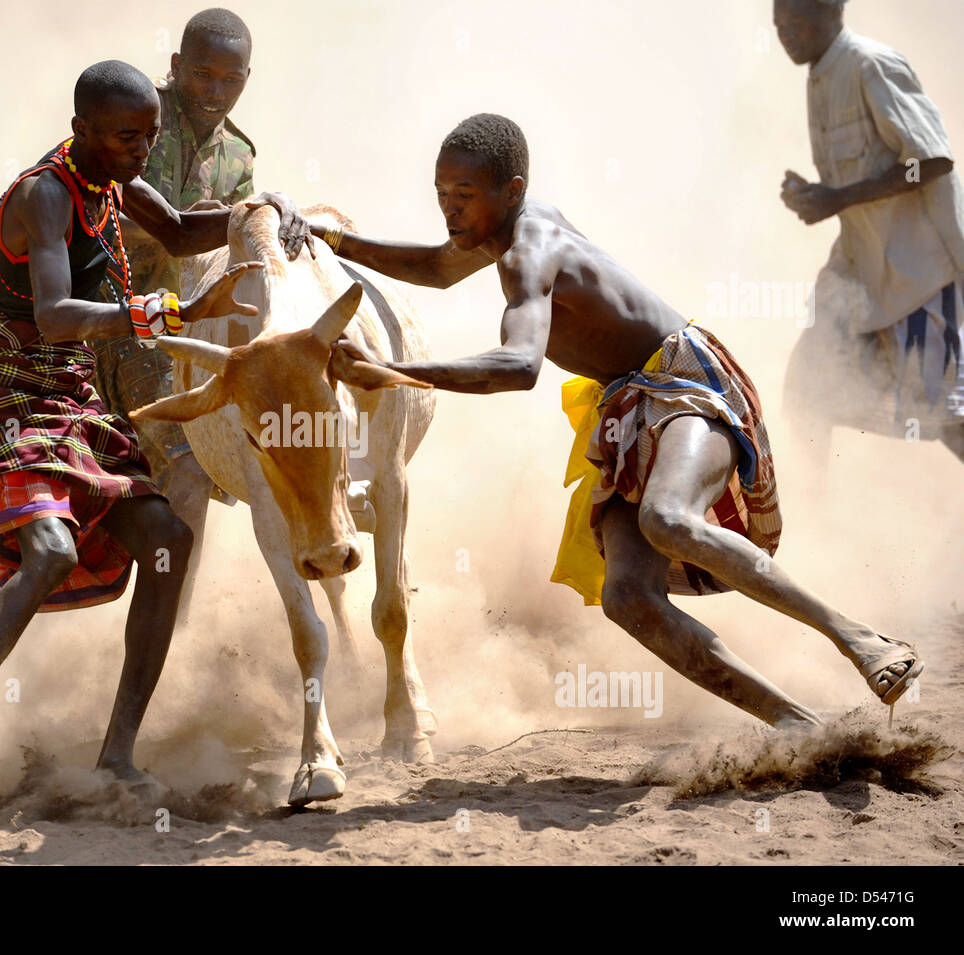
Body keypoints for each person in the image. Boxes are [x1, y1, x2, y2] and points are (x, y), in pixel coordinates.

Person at [318, 112, 923, 729]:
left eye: (465, 197)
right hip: (628, 405)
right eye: (442, 195)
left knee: (667, 519)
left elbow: (520, 365)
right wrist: (332, 241)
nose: (450, 211)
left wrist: (392, 371)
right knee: (626, 597)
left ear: (513, 189)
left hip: (686, 380)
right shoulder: (501, 234)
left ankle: (861, 638)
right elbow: (440, 266)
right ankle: (800, 727)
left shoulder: (529, 252)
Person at [0, 60, 303, 807]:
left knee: (168, 538)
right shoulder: (44, 195)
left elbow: (175, 229)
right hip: (2, 390)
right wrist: (144, 313)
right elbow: (54, 314)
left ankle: (116, 758)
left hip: (67, 397)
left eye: (148, 139)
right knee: (51, 550)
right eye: (128, 139)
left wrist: (253, 216)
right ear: (81, 132)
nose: (141, 152)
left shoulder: (113, 183)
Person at [95, 8, 311, 610]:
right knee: (187, 465)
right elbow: (165, 230)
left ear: (247, 77)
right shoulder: (136, 120)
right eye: (203, 75)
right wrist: (260, 209)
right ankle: (169, 624)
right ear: (175, 67)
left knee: (238, 452)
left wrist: (270, 220)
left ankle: (173, 617)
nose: (216, 91)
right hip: (106, 315)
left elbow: (227, 256)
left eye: (231, 79)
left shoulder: (238, 155)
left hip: (181, 322)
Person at [775, 0, 964, 462]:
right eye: (779, 24)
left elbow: (932, 162)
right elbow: (858, 176)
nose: (787, 35)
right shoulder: (819, 75)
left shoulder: (870, 64)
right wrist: (816, 193)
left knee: (946, 420)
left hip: (918, 272)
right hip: (861, 271)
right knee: (807, 390)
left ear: (833, 12)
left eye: (798, 22)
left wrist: (837, 199)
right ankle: (810, 527)